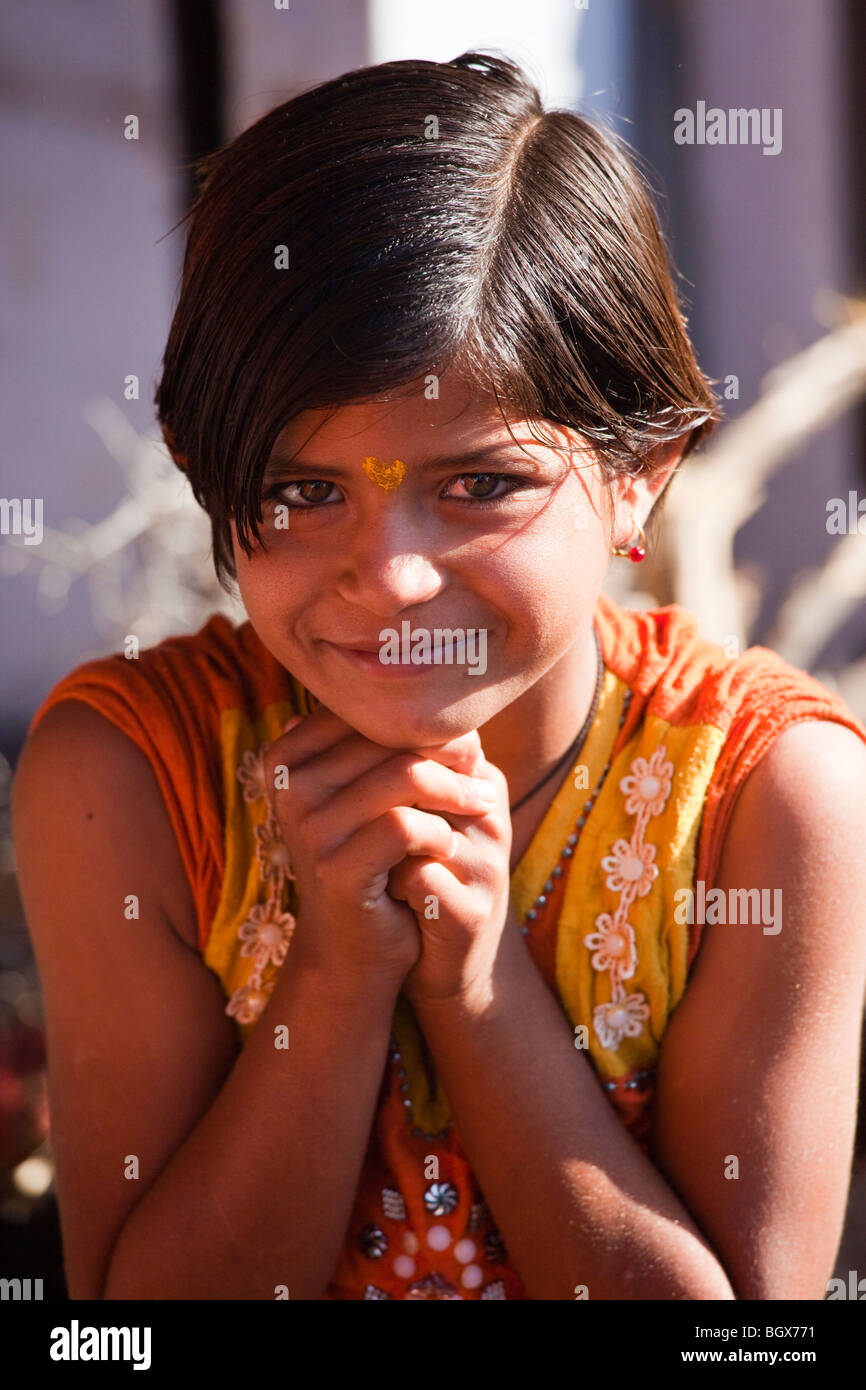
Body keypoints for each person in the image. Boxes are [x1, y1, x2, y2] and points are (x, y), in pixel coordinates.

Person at [12, 50, 866, 1302]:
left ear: (641, 470)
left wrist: (477, 991)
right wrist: (336, 974)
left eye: (480, 485)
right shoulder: (132, 778)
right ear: (205, 471)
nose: (392, 579)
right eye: (301, 492)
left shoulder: (759, 798)